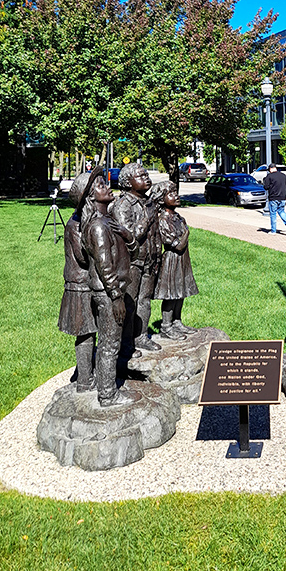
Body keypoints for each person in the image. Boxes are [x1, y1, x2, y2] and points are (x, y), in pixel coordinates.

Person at [80, 168, 137, 406]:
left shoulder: (109, 221)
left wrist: (128, 236)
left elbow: (132, 250)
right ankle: (107, 394)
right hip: (107, 293)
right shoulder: (98, 227)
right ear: (91, 197)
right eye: (101, 186)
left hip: (114, 291)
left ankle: (108, 389)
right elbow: (105, 266)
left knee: (110, 342)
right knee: (109, 344)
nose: (108, 186)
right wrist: (115, 297)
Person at [112, 163, 162, 353]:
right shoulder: (123, 205)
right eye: (140, 176)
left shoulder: (149, 202)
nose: (146, 179)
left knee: (145, 300)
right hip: (131, 261)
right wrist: (147, 219)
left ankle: (141, 337)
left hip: (149, 259)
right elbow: (130, 235)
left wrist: (157, 254)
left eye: (146, 175)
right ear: (128, 182)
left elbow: (155, 232)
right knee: (129, 302)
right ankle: (125, 342)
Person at [58, 174, 97, 391]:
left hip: (87, 282)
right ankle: (84, 380)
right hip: (79, 284)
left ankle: (89, 372)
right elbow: (83, 257)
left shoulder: (86, 221)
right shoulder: (76, 225)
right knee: (85, 332)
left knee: (91, 330)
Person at [151, 180, 199, 339]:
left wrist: (183, 236)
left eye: (176, 193)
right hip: (171, 260)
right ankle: (166, 326)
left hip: (183, 259)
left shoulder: (178, 217)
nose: (176, 196)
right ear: (161, 199)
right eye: (171, 194)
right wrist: (186, 234)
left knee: (181, 291)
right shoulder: (163, 220)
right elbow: (176, 245)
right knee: (171, 293)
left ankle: (177, 321)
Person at [263, 163, 286, 235]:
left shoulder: (269, 176)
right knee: (281, 211)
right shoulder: (283, 176)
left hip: (273, 198)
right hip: (282, 197)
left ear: (270, 169)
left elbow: (265, 187)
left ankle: (273, 231)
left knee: (273, 214)